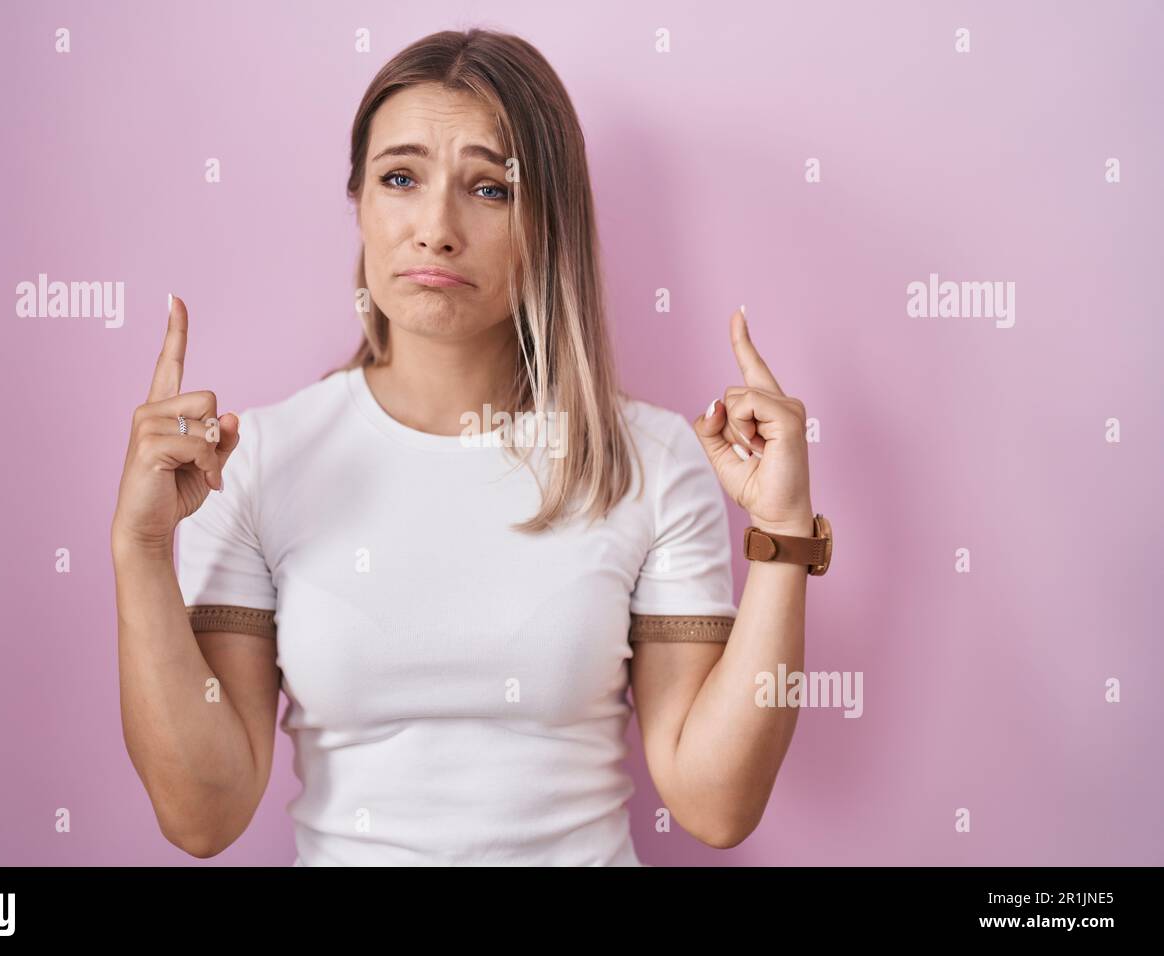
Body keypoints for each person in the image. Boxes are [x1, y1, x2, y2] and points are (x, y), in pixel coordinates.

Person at [111, 28, 823, 866]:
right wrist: (143, 548)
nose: (437, 229)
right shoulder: (255, 460)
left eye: (490, 188)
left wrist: (783, 536)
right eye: (401, 179)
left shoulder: (655, 460)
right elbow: (204, 817)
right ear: (361, 204)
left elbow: (715, 806)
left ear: (549, 222)